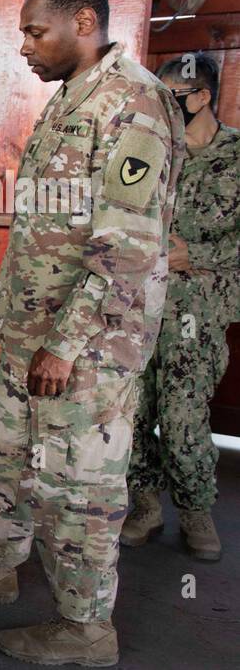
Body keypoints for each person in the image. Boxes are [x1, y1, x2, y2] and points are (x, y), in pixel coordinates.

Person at [0, 0, 184, 667]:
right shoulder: (74, 96)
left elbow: (125, 246)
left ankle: (84, 630)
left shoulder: (134, 102)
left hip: (87, 348)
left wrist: (66, 346)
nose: (24, 47)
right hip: (32, 333)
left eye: (35, 31)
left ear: (84, 21)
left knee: (80, 486)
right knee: (9, 465)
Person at [123, 53, 239, 561]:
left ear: (203, 97)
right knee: (134, 410)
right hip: (143, 303)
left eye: (175, 95)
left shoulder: (236, 155)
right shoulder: (153, 151)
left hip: (200, 308)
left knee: (182, 414)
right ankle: (145, 505)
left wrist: (200, 254)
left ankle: (196, 511)